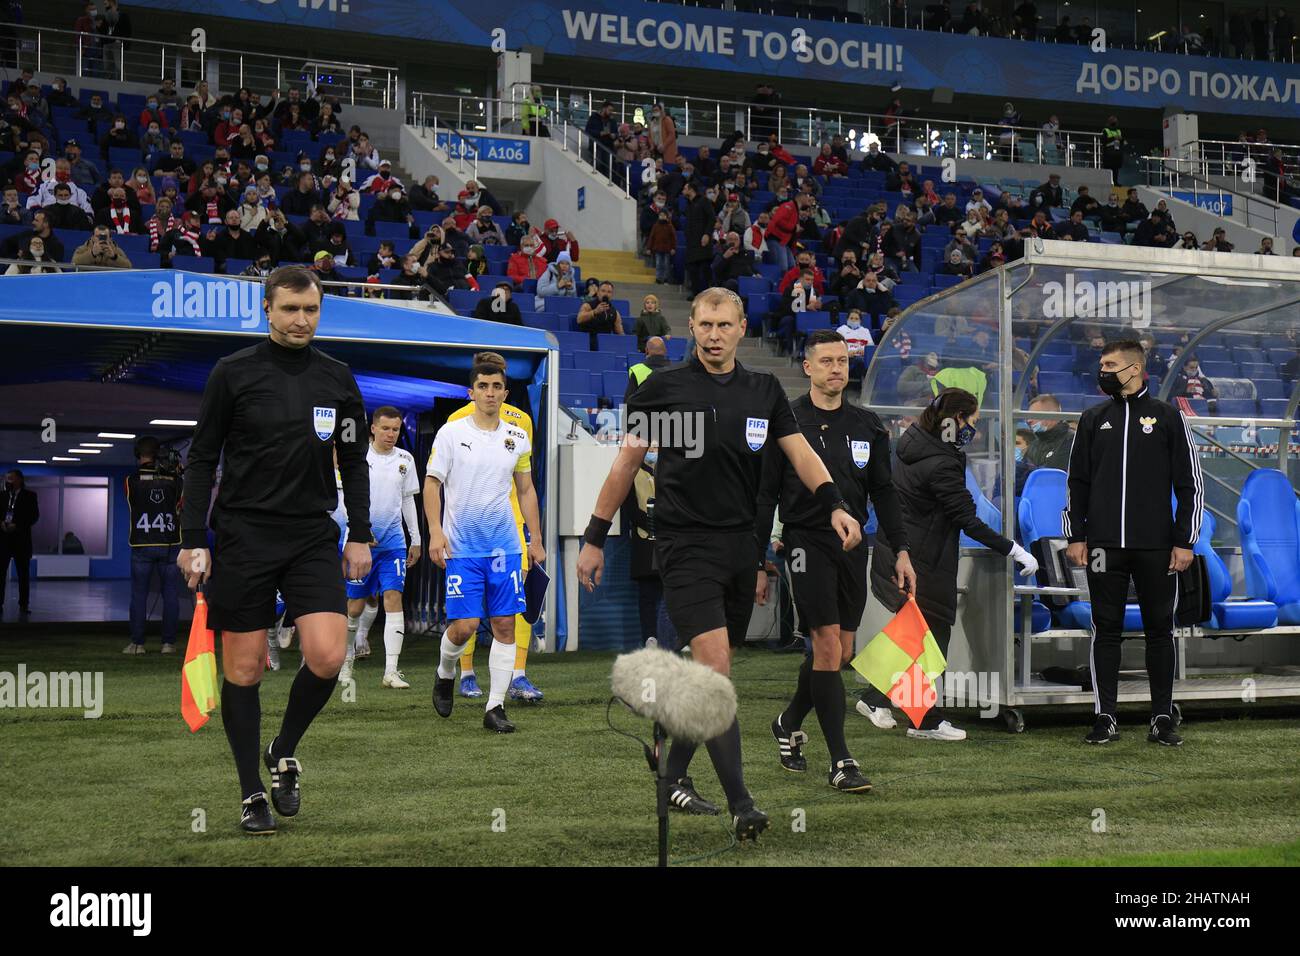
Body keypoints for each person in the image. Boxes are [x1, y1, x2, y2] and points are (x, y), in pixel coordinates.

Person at [576, 287, 863, 841]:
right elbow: (626, 464)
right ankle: (743, 804)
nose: (712, 334)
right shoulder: (662, 390)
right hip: (683, 547)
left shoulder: (763, 390)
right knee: (717, 673)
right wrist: (593, 535)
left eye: (723, 325)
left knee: (709, 678)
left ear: (740, 327)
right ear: (694, 328)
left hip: (740, 548)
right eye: (704, 324)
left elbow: (800, 452)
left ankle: (672, 778)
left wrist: (834, 505)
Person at [177, 265, 374, 835]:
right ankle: (250, 794)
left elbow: (355, 462)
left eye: (310, 310)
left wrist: (357, 533)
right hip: (243, 534)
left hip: (312, 533)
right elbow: (201, 459)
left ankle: (283, 748)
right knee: (242, 669)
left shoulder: (338, 378)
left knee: (328, 656)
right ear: (267, 310)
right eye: (289, 310)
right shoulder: (232, 373)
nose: (300, 320)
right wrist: (194, 541)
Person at [756, 330, 916, 791]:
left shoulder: (868, 425)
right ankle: (842, 762)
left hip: (855, 547)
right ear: (807, 367)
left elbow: (885, 493)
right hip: (806, 542)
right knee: (825, 647)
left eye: (842, 361)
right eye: (825, 361)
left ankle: (787, 722)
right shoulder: (787, 422)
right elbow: (766, 492)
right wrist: (759, 557)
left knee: (841, 653)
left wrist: (901, 551)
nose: (836, 369)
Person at [865, 388, 1038, 738]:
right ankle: (921, 718)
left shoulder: (918, 444)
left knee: (918, 636)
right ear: (955, 419)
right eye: (970, 422)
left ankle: (883, 700)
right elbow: (966, 518)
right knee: (931, 636)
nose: (971, 430)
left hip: (908, 550)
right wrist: (1013, 549)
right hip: (922, 557)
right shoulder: (942, 461)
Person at [1064, 340, 1204, 747]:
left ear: (1135, 369)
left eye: (1110, 364)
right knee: (1104, 629)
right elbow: (1077, 482)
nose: (1103, 371)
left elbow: (1191, 484)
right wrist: (1077, 534)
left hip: (1157, 546)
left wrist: (1185, 541)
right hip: (1104, 546)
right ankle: (1105, 716)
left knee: (1160, 630)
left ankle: (1162, 717)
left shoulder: (1167, 418)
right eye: (1101, 364)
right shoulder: (1093, 418)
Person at [425, 361, 546, 732]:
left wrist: (536, 539)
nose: (490, 392)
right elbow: (432, 484)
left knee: (504, 624)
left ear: (505, 393)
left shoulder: (517, 437)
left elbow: (525, 490)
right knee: (464, 626)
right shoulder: (450, 433)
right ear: (471, 392)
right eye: (483, 386)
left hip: (504, 547)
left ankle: (495, 708)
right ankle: (446, 672)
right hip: (462, 546)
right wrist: (434, 531)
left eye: (496, 386)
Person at [337, 407, 421, 689]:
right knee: (355, 606)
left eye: (396, 429)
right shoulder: (359, 459)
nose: (391, 434)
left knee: (393, 598)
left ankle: (391, 671)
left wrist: (417, 539)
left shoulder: (405, 460)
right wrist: (356, 533)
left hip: (394, 544)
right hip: (362, 545)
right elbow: (346, 499)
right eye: (385, 428)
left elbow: (408, 500)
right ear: (372, 428)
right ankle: (345, 665)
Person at [123, 438, 183, 654]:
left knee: (139, 594)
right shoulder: (174, 479)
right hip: (170, 542)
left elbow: (131, 501)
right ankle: (168, 644)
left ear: (137, 454)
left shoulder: (131, 480)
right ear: (158, 454)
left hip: (142, 542)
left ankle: (137, 644)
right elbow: (180, 502)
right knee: (171, 594)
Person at [621, 446, 669, 648]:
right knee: (647, 592)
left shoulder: (670, 468)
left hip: (670, 539)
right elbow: (629, 507)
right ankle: (650, 637)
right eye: (651, 447)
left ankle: (672, 636)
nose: (653, 451)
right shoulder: (632, 471)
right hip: (644, 540)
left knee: (671, 590)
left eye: (657, 447)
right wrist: (650, 524)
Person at [0, 470, 37, 618]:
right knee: (0, 574)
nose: (8, 481)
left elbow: (34, 516)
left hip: (21, 540)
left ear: (20, 480)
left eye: (11, 479)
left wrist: (18, 525)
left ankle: (23, 604)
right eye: (6, 479)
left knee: (23, 574)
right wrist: (1, 523)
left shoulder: (30, 496)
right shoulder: (1, 496)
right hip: (3, 541)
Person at [1025, 394, 1074, 467]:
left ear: (1052, 416)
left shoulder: (1071, 441)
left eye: (1034, 415)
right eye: (1028, 416)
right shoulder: (1033, 445)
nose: (1029, 421)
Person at [577, 279, 625, 348]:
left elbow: (621, 334)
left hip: (606, 345)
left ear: (612, 295)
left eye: (609, 292)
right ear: (598, 292)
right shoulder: (588, 306)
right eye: (603, 291)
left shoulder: (615, 313)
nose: (606, 294)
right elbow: (579, 319)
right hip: (587, 343)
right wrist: (594, 312)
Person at [626, 335, 671, 402]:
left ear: (646, 350)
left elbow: (627, 402)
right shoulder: (676, 371)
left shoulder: (636, 371)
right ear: (665, 350)